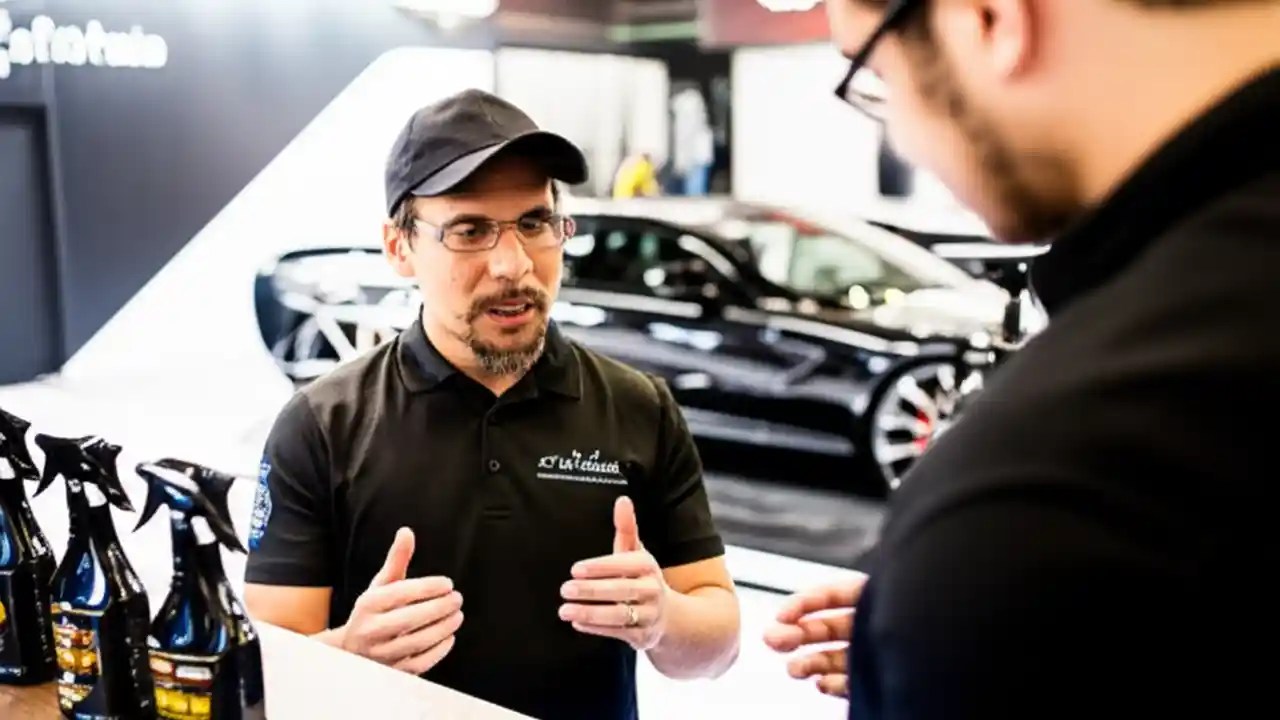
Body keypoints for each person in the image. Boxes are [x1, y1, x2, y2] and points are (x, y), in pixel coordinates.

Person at [765, 1, 1279, 717]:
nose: (905, 137)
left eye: (875, 72)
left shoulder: (1055, 498)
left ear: (990, 17)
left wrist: (957, 608)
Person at [243, 88, 741, 720]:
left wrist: (665, 619)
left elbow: (718, 643)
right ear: (400, 248)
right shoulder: (324, 425)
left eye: (534, 223)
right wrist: (346, 653)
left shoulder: (638, 407)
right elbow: (262, 674)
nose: (513, 264)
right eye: (470, 230)